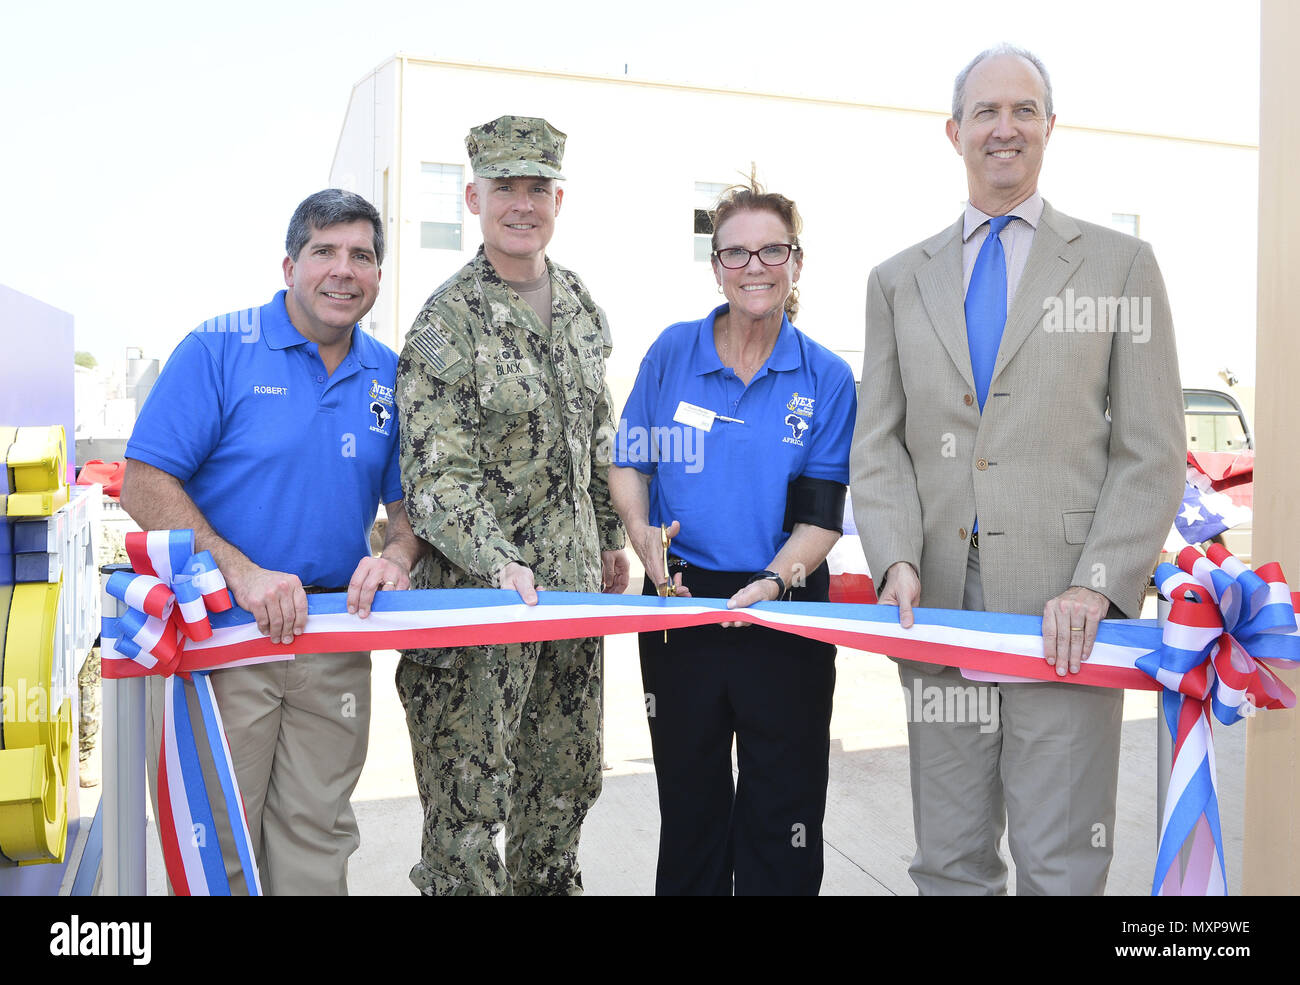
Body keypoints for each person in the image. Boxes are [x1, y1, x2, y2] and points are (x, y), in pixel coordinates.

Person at [851, 45, 1185, 895]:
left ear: (1049, 127)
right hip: (938, 619)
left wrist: (1097, 586)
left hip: (1065, 621)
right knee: (949, 862)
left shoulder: (1119, 266)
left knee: (1063, 863)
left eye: (1024, 110)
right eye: (988, 112)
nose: (1006, 128)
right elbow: (879, 442)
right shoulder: (896, 281)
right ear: (955, 131)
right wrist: (894, 555)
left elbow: (1151, 449)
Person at [121, 188, 425, 895]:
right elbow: (143, 483)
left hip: (331, 641)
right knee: (220, 842)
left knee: (317, 841)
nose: (343, 270)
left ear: (379, 275)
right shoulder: (217, 348)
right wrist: (244, 573)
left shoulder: (388, 372)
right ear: (289, 264)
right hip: (223, 634)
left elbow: (406, 513)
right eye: (324, 251)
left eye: (362, 255)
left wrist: (396, 556)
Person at [395, 115, 628, 896]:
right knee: (467, 820)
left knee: (562, 797)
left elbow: (597, 432)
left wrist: (610, 538)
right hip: (478, 611)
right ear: (473, 196)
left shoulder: (582, 305)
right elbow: (435, 479)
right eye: (505, 188)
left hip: (569, 606)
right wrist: (500, 559)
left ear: (557, 198)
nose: (522, 204)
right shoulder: (446, 322)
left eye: (537, 188)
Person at [610, 178, 857, 895]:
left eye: (771, 250)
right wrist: (642, 533)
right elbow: (629, 461)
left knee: (783, 814)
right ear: (715, 265)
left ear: (796, 262)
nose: (755, 266)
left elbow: (820, 515)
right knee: (691, 811)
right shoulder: (672, 354)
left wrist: (777, 579)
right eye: (737, 252)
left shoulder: (826, 376)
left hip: (787, 604)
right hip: (683, 602)